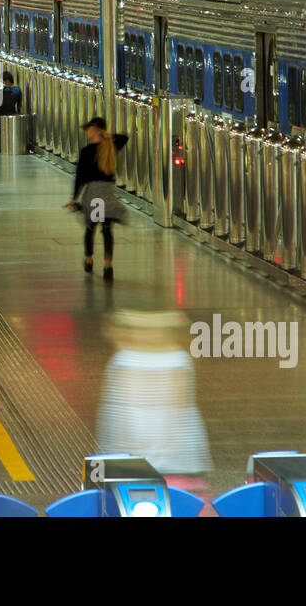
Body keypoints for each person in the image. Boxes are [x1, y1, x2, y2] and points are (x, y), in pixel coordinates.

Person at [97, 310, 213, 493]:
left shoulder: (124, 360)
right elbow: (179, 410)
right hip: (174, 458)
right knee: (179, 500)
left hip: (138, 455)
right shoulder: (178, 359)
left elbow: (119, 412)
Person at [66, 116, 128, 280]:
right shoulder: (110, 146)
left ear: (96, 130)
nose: (86, 131)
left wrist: (74, 197)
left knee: (91, 228)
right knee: (107, 230)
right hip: (107, 193)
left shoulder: (87, 151)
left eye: (89, 128)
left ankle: (89, 259)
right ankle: (108, 266)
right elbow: (125, 138)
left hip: (94, 196)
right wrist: (110, 136)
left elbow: (79, 177)